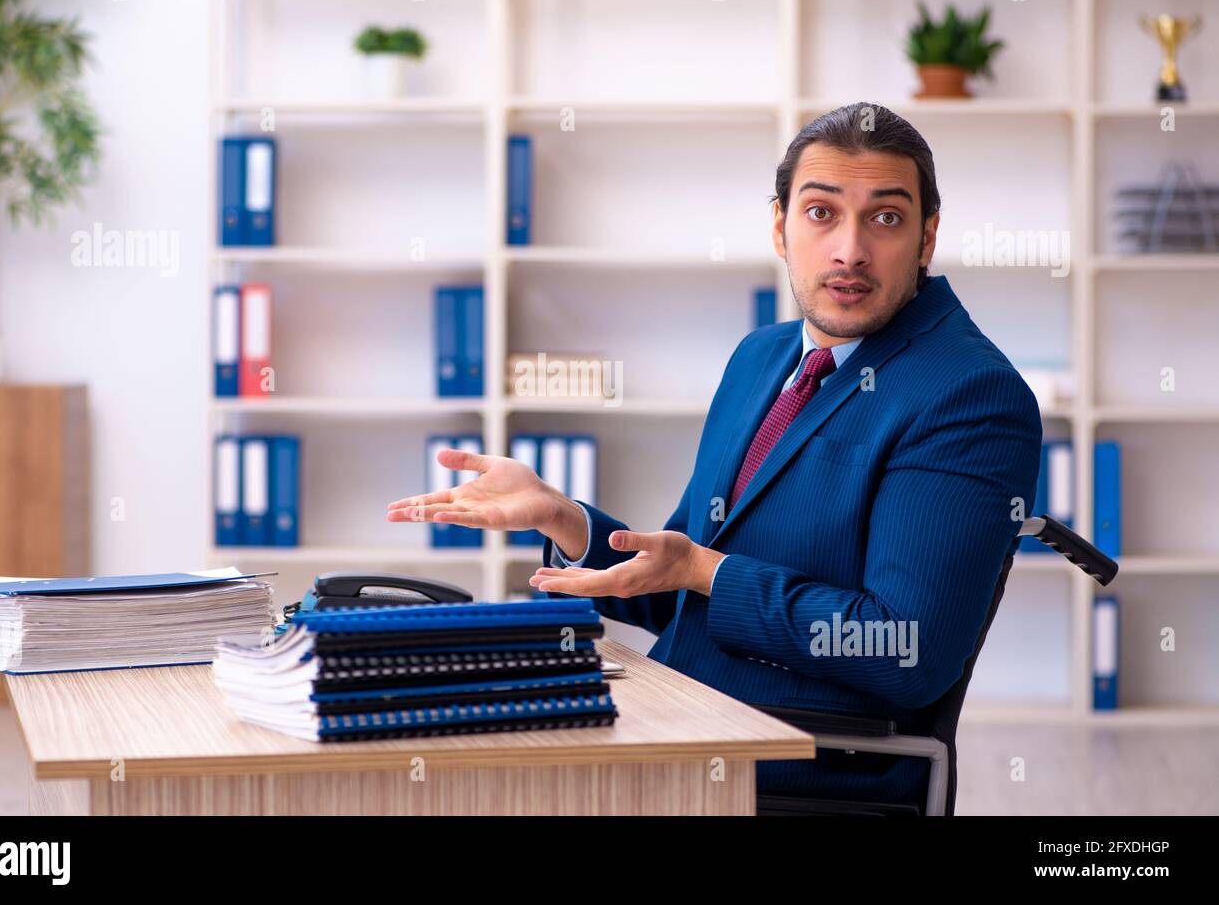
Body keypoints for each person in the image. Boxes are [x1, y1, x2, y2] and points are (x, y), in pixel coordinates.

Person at [386, 101, 1043, 813]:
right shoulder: (761, 359)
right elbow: (681, 594)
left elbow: (902, 648)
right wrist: (566, 515)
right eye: (821, 213)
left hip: (798, 770)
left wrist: (705, 569)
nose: (850, 250)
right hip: (676, 726)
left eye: (885, 218)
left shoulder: (970, 394)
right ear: (780, 228)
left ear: (926, 238)